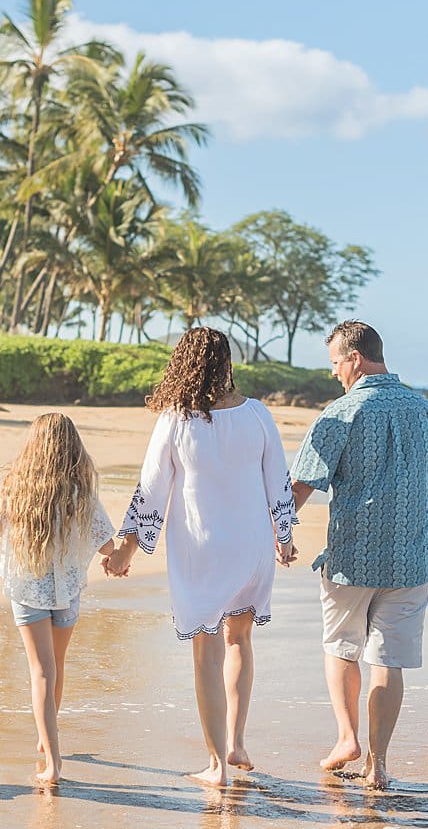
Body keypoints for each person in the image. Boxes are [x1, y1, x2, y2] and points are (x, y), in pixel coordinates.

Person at [109, 327, 297, 787]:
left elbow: (151, 489)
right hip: (251, 547)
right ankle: (235, 742)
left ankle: (216, 766)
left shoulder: (176, 419)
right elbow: (280, 481)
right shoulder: (257, 415)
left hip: (200, 548)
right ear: (227, 362)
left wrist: (125, 548)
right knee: (239, 641)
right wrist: (285, 537)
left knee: (205, 654)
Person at [290, 320, 428, 791]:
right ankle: (378, 764)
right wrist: (426, 533)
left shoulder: (342, 412)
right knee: (389, 660)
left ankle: (346, 738)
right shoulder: (426, 411)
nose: (334, 374)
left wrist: (276, 531)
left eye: (335, 363)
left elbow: (301, 483)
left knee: (341, 645)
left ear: (354, 359)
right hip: (410, 559)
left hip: (351, 558)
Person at [0, 413, 119, 785]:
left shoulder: (15, 486)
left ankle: (51, 758)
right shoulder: (80, 493)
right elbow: (106, 545)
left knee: (41, 670)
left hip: (27, 589)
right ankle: (46, 742)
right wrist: (117, 559)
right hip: (66, 591)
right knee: (56, 666)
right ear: (73, 448)